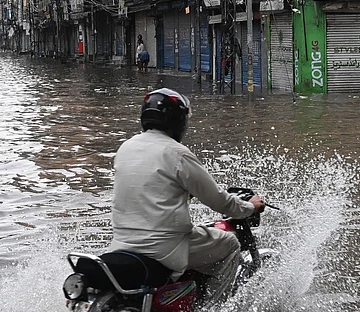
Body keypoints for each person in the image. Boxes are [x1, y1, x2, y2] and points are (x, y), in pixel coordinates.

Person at [110, 88, 265, 301]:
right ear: (178, 120)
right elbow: (218, 200)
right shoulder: (177, 153)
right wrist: (250, 207)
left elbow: (149, 188)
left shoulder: (125, 148)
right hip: (165, 249)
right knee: (230, 244)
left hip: (122, 245)